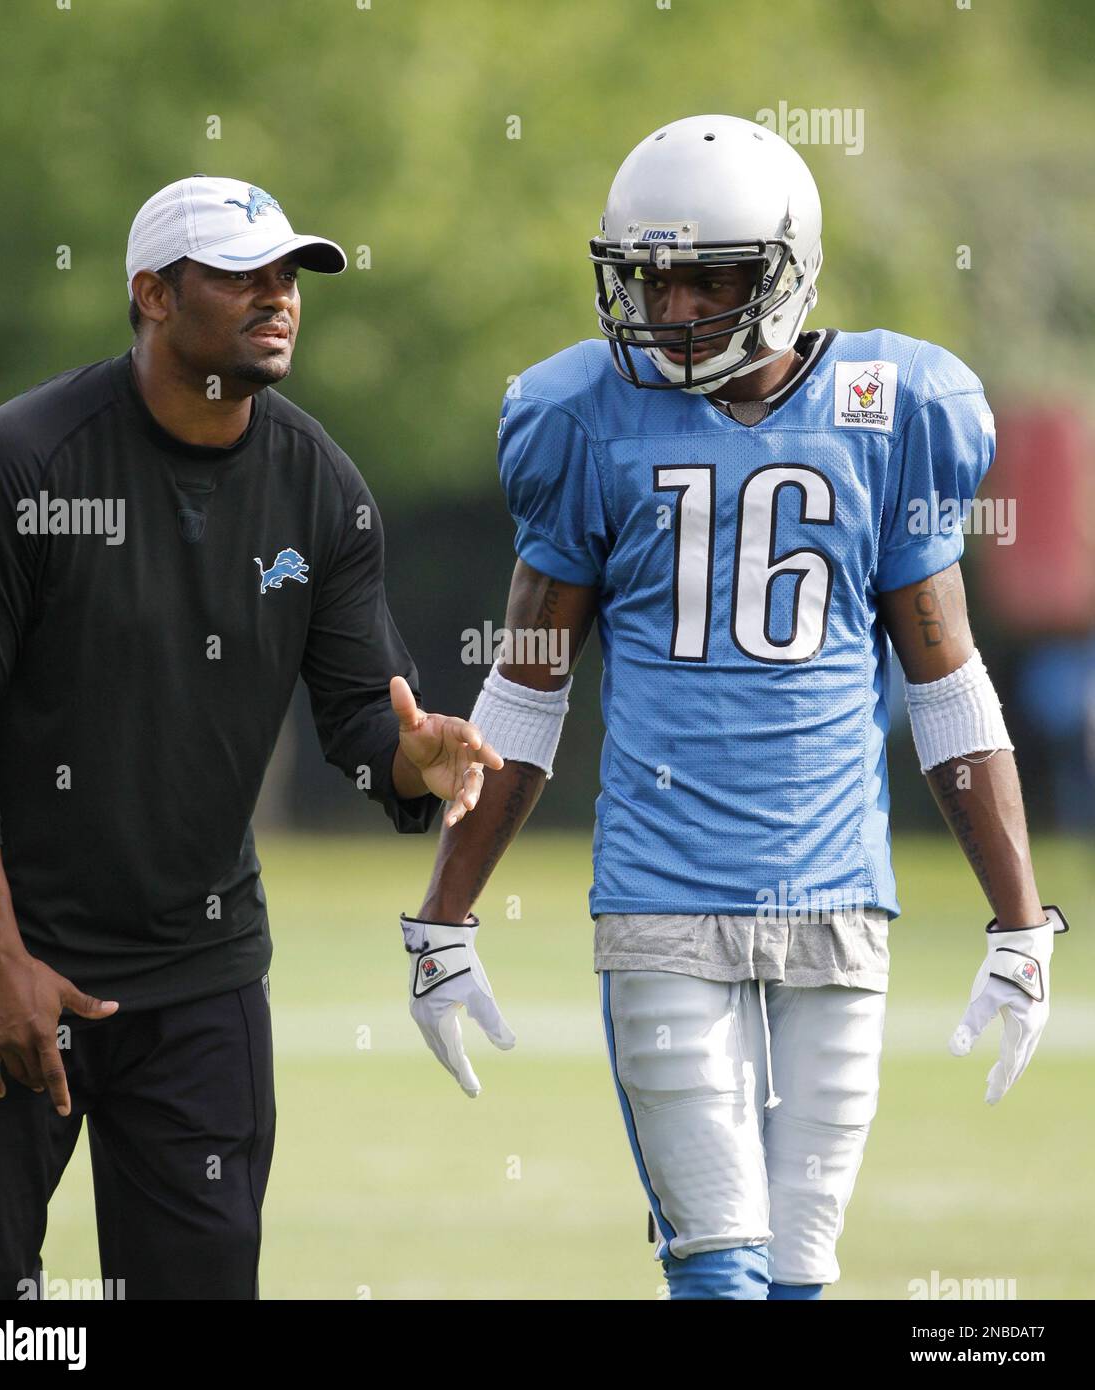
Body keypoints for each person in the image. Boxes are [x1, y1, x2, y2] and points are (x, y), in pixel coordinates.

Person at [399, 116, 1068, 1300]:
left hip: (836, 899)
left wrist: (1021, 921)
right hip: (662, 898)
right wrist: (442, 915)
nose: (668, 309)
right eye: (648, 277)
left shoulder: (892, 402)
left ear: (785, 269)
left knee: (801, 1277)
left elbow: (946, 679)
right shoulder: (581, 413)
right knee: (719, 1274)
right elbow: (528, 685)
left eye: (705, 276)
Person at [0, 175, 501, 1300]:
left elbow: (353, 713)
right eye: (239, 275)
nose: (277, 297)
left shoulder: (319, 487)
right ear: (151, 293)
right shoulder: (19, 465)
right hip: (0, 951)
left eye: (288, 276)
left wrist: (409, 757)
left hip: (197, 976)